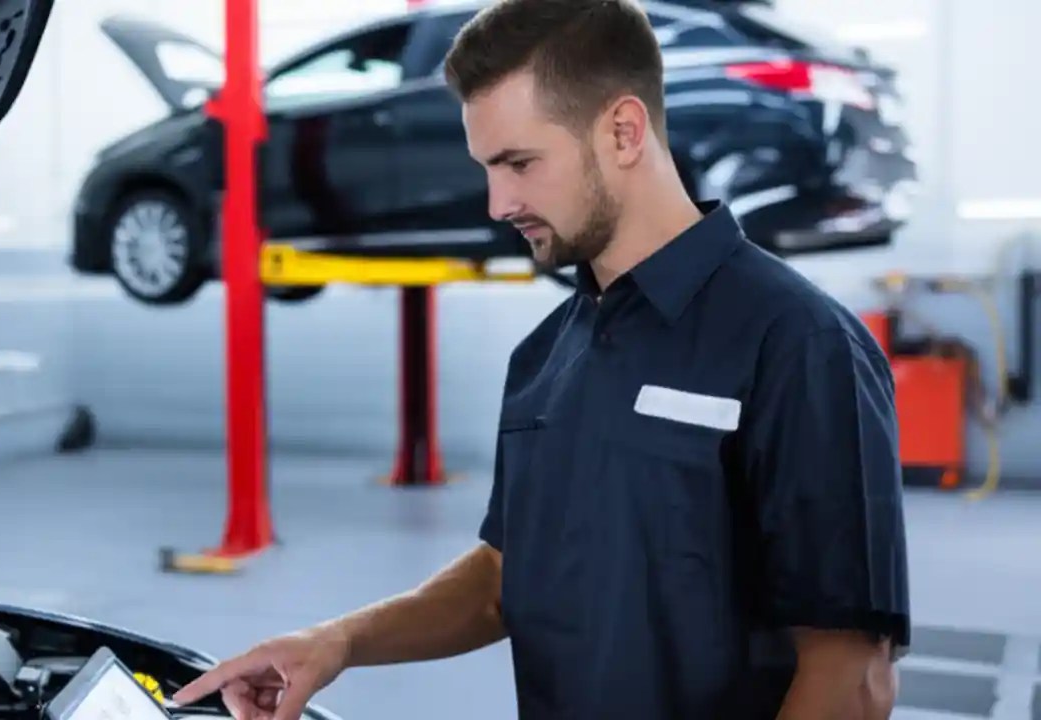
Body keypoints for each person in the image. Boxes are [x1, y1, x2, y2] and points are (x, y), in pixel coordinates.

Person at [172, 0, 911, 717]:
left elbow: (851, 679)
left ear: (624, 131)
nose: (497, 203)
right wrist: (337, 642)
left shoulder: (799, 344)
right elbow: (506, 576)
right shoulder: (545, 356)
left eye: (520, 163)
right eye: (487, 168)